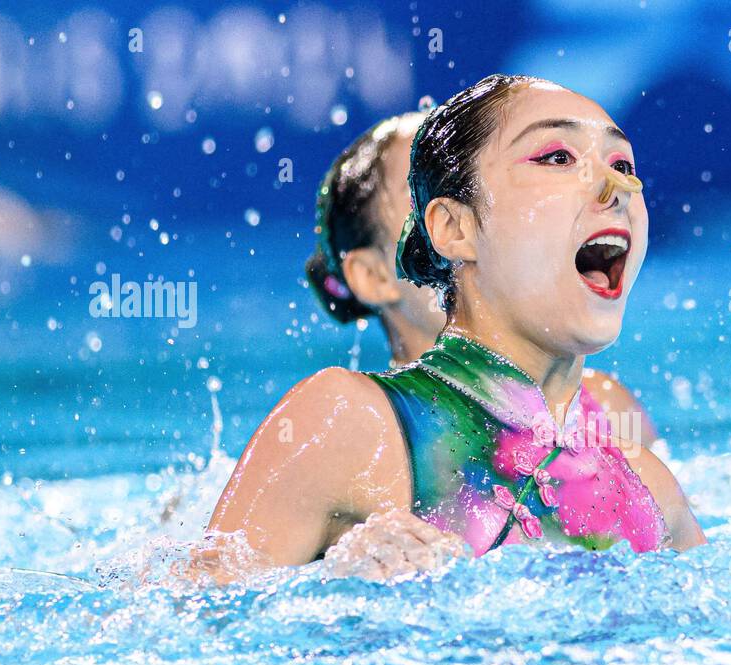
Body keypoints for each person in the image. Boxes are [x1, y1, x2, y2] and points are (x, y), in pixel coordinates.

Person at [205, 74, 703, 579]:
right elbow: (179, 613)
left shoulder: (654, 493)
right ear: (452, 227)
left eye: (622, 164)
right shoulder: (349, 421)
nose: (614, 186)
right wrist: (328, 587)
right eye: (557, 157)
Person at [304, 109, 658, 447]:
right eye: (421, 193)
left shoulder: (608, 413)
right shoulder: (359, 432)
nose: (472, 209)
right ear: (372, 277)